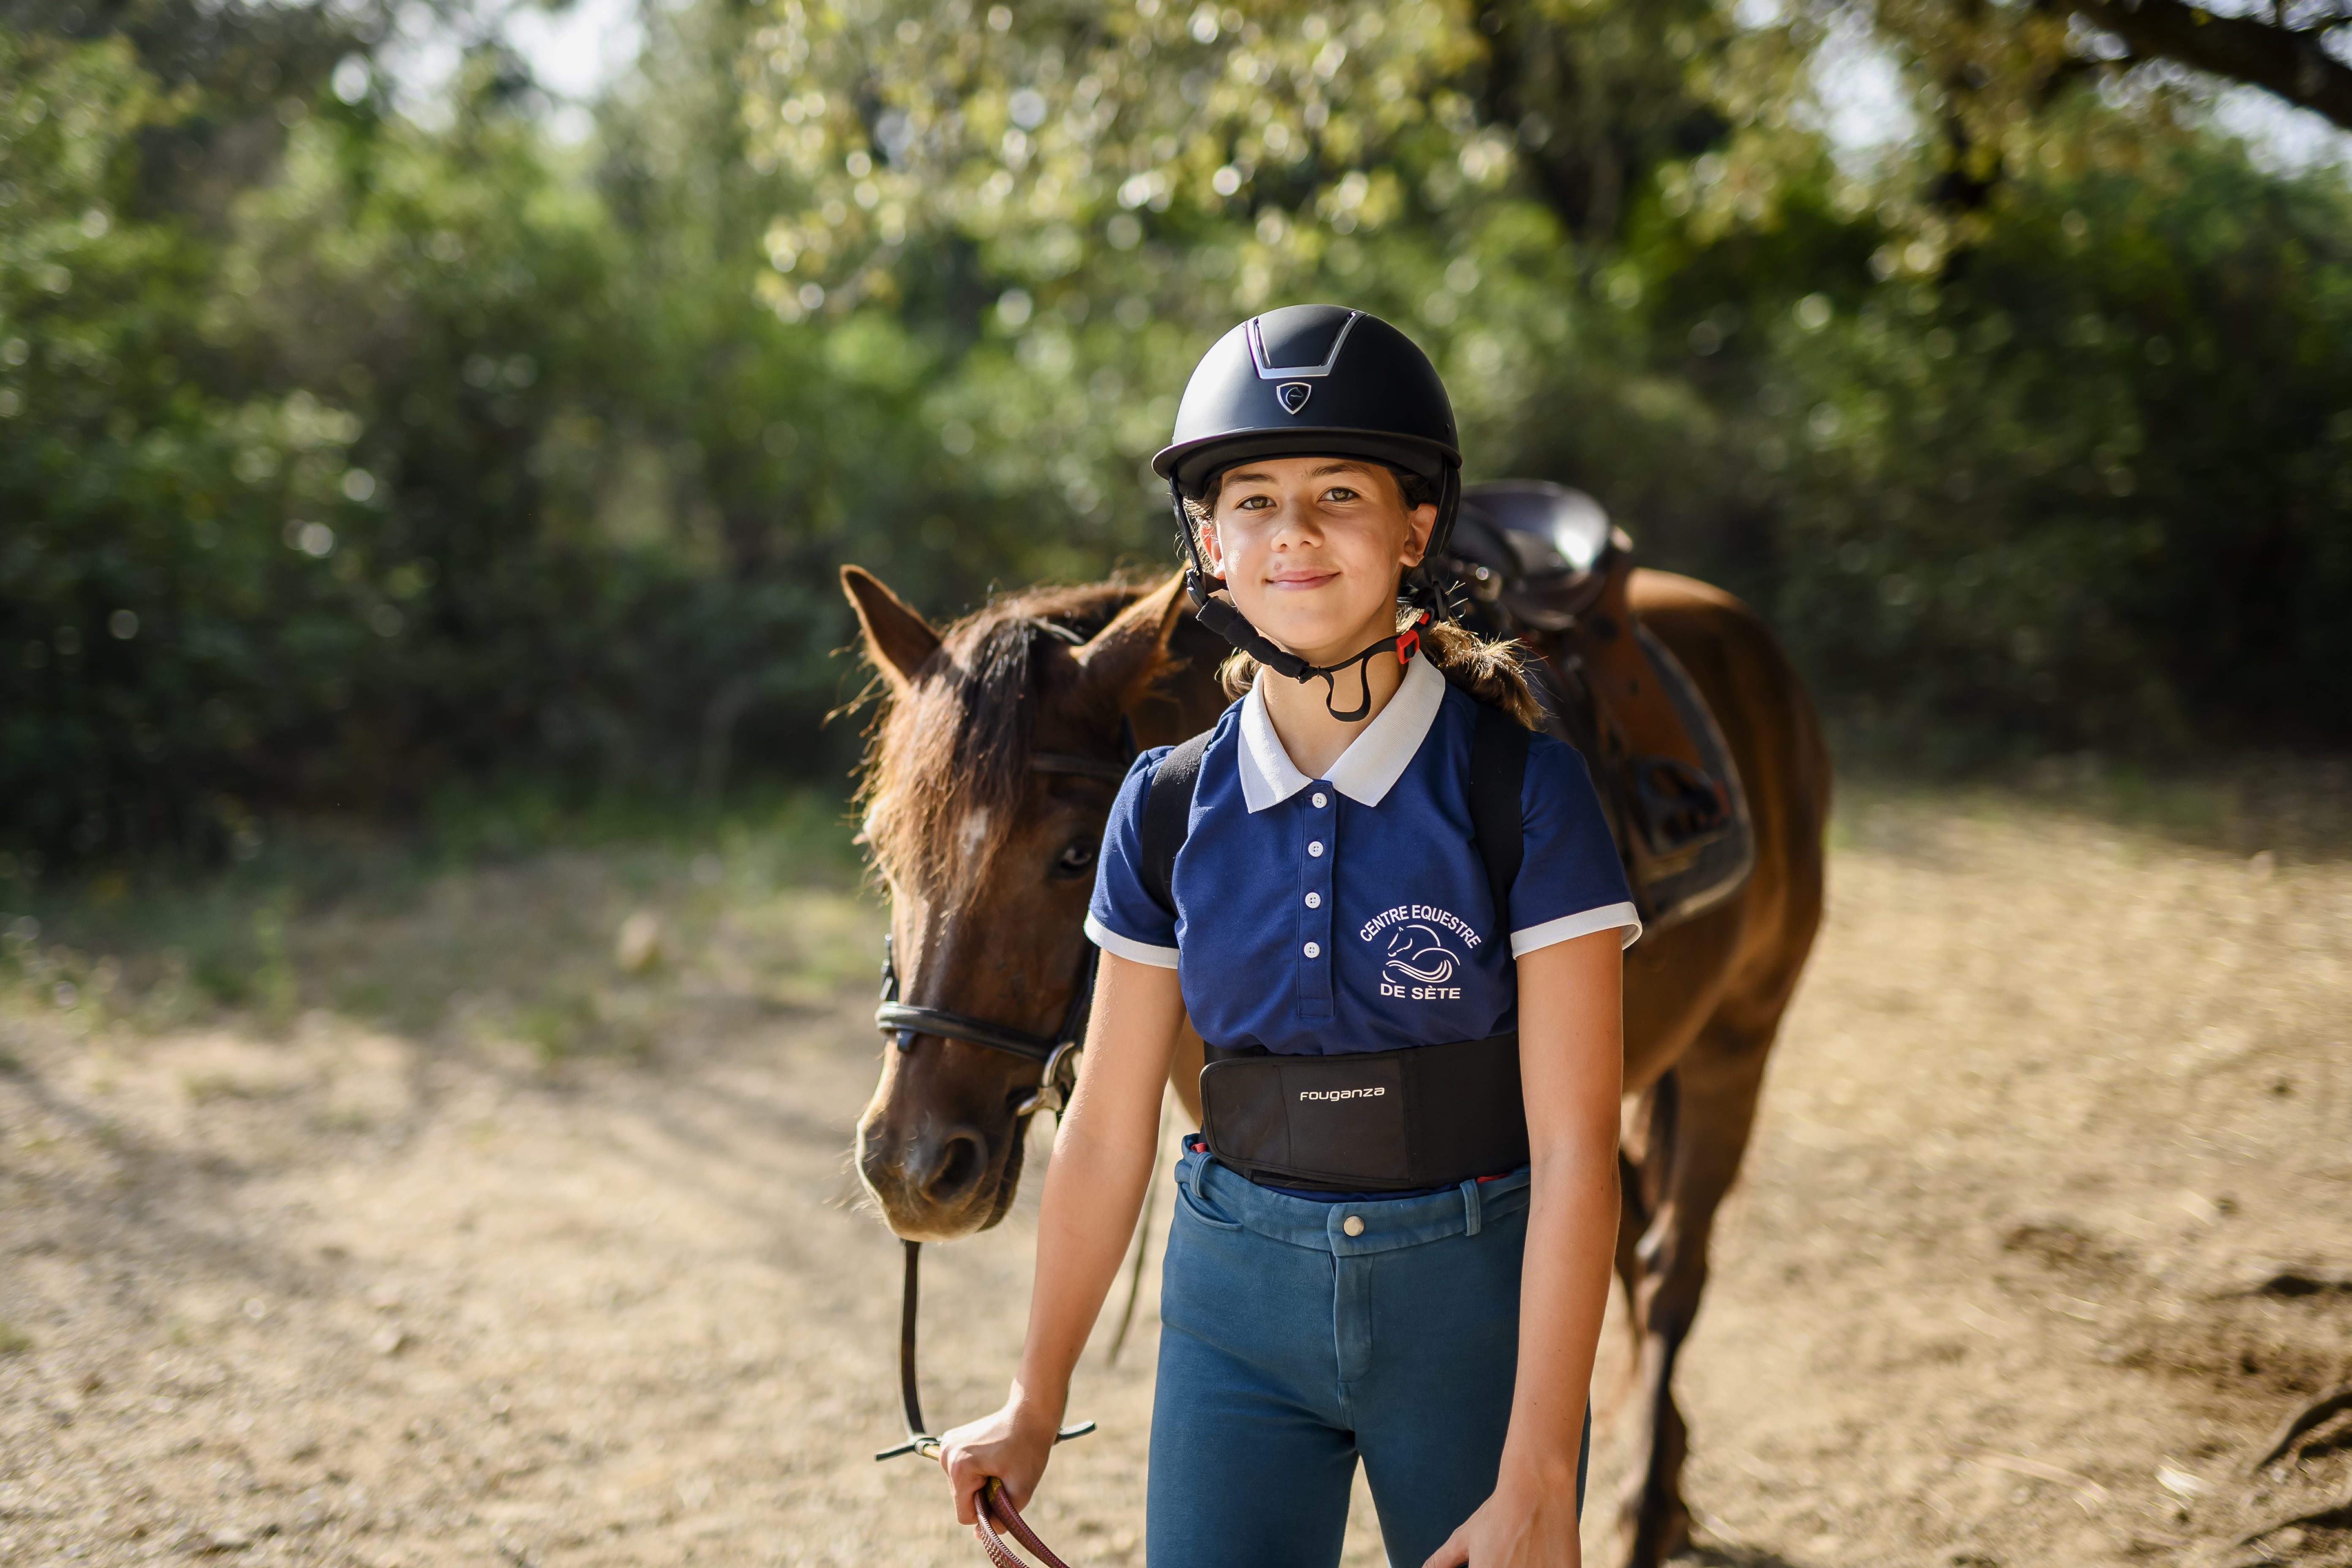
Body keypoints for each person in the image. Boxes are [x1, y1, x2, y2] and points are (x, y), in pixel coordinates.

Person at [936, 304, 1636, 1568]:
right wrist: (1035, 1403)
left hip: (1469, 1308)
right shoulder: (1160, 804)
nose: (1293, 532)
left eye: (1338, 493)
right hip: (1231, 1311)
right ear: (1208, 540)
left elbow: (1581, 1148)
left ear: (1417, 528)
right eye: (1252, 499)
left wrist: (1542, 1471)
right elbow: (1104, 1127)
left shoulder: (1522, 790)